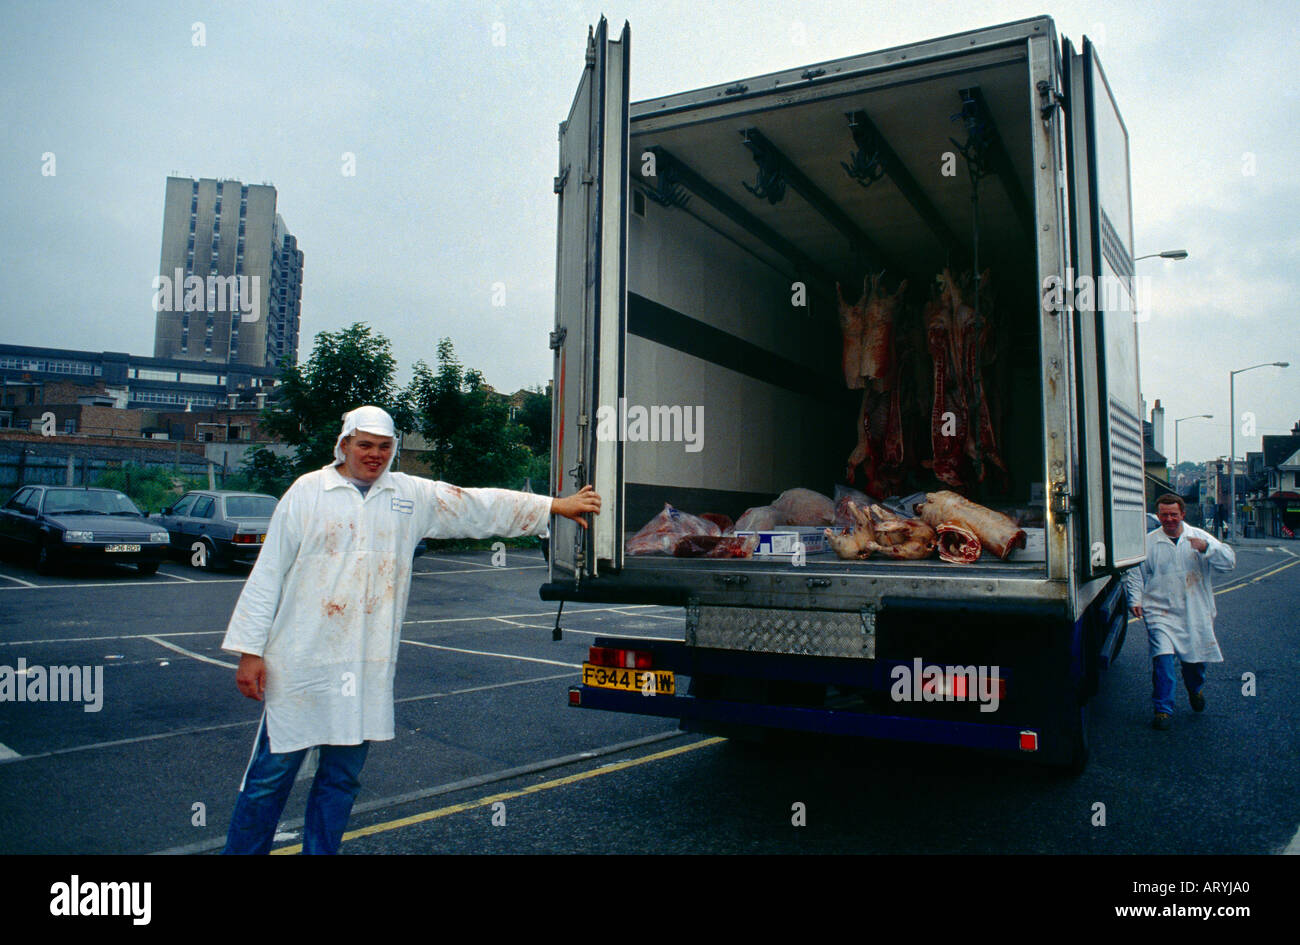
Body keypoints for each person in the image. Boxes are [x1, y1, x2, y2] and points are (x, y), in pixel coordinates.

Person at [220, 405, 601, 854]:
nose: (375, 454)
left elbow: (476, 505)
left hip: (363, 667)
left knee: (341, 780)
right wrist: (250, 651)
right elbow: (268, 573)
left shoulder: (409, 496)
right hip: (299, 664)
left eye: (384, 446)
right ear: (343, 445)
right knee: (269, 780)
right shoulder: (308, 491)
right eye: (365, 445)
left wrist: (553, 506)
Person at [1125, 493, 1235, 731]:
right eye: (1164, 514)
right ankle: (1163, 709)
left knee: (1194, 663)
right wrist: (1135, 598)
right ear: (1158, 516)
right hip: (1160, 611)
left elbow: (1228, 563)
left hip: (1194, 611)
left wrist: (1207, 549)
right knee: (1162, 659)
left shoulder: (1199, 537)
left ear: (1182, 514)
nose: (1169, 519)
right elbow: (1134, 573)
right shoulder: (1149, 542)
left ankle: (1195, 689)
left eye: (1174, 514)